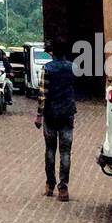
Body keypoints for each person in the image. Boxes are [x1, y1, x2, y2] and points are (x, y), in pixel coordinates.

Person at [35, 38, 78, 201]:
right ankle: (63, 188)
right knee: (65, 151)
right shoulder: (72, 67)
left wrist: (39, 115)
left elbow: (42, 94)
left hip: (51, 113)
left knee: (50, 149)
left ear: (52, 52)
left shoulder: (47, 68)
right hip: (67, 113)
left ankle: (49, 185)